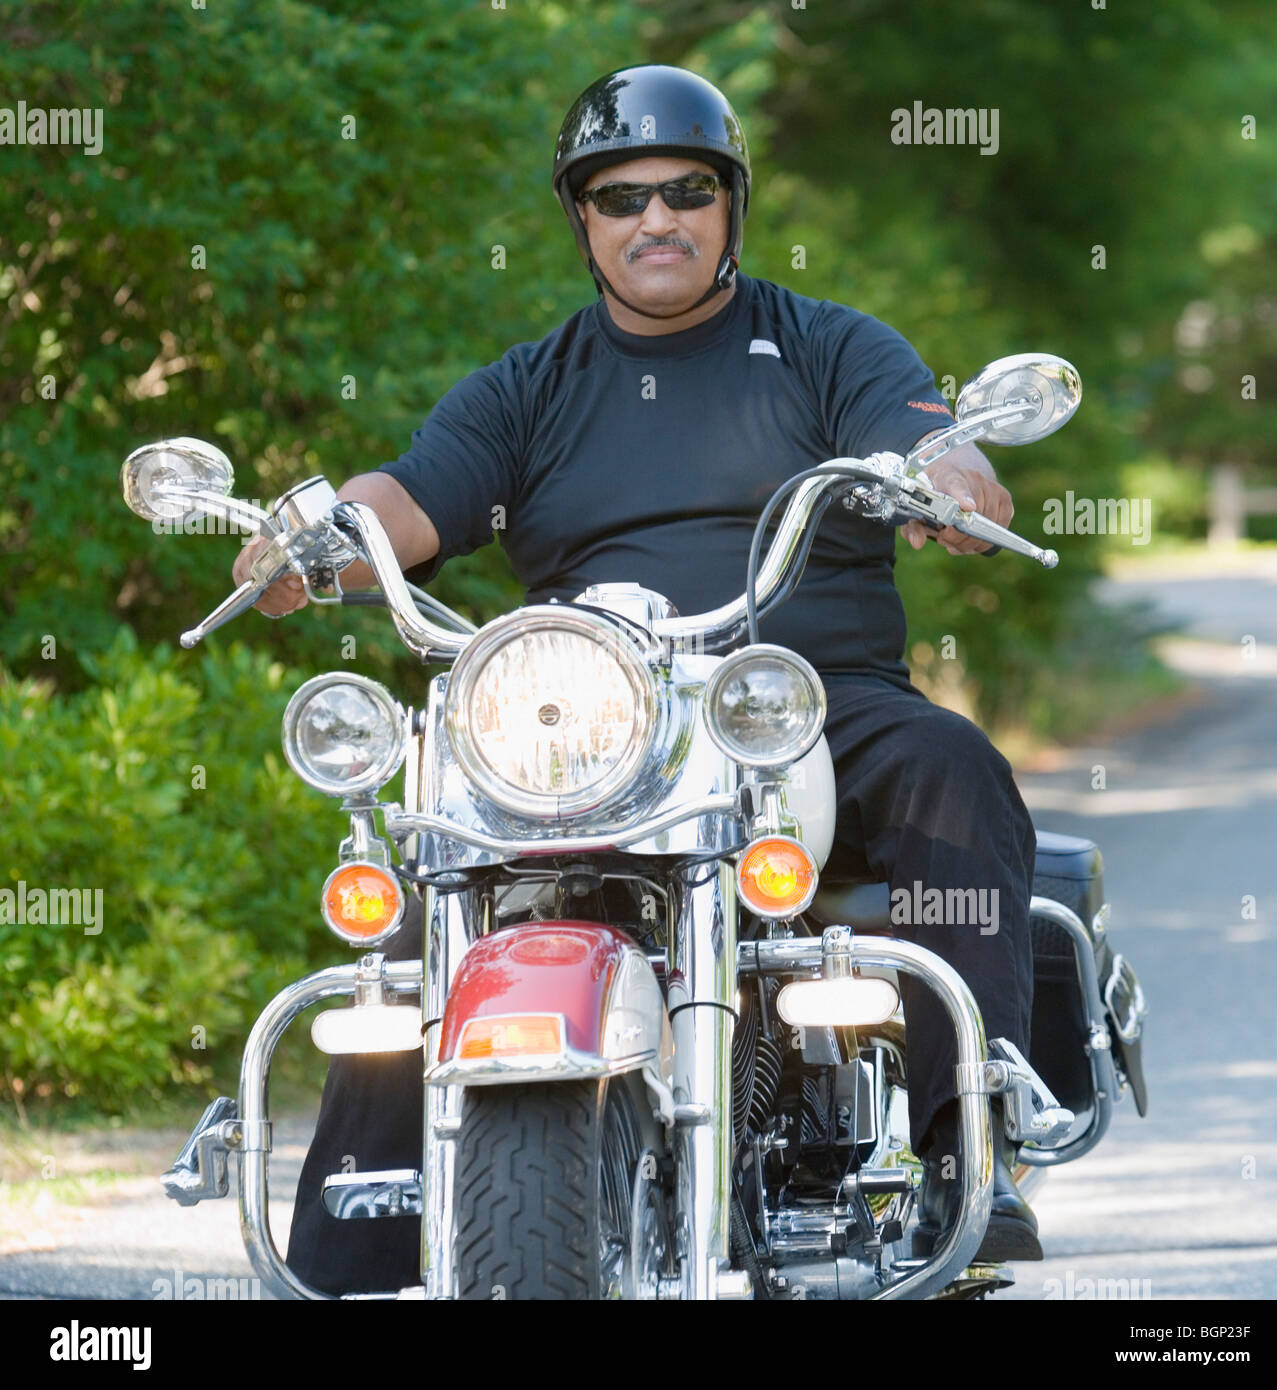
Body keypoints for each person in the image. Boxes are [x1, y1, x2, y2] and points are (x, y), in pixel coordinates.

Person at [237, 64, 1042, 1293]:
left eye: (684, 190)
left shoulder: (827, 346)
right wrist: (322, 539)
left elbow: (914, 424)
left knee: (950, 769)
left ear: (729, 206)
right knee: (430, 867)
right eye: (620, 198)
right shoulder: (529, 386)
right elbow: (408, 492)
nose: (654, 218)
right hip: (592, 715)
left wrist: (948, 468)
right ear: (582, 220)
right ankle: (360, 1222)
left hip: (803, 698)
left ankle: (964, 1155)